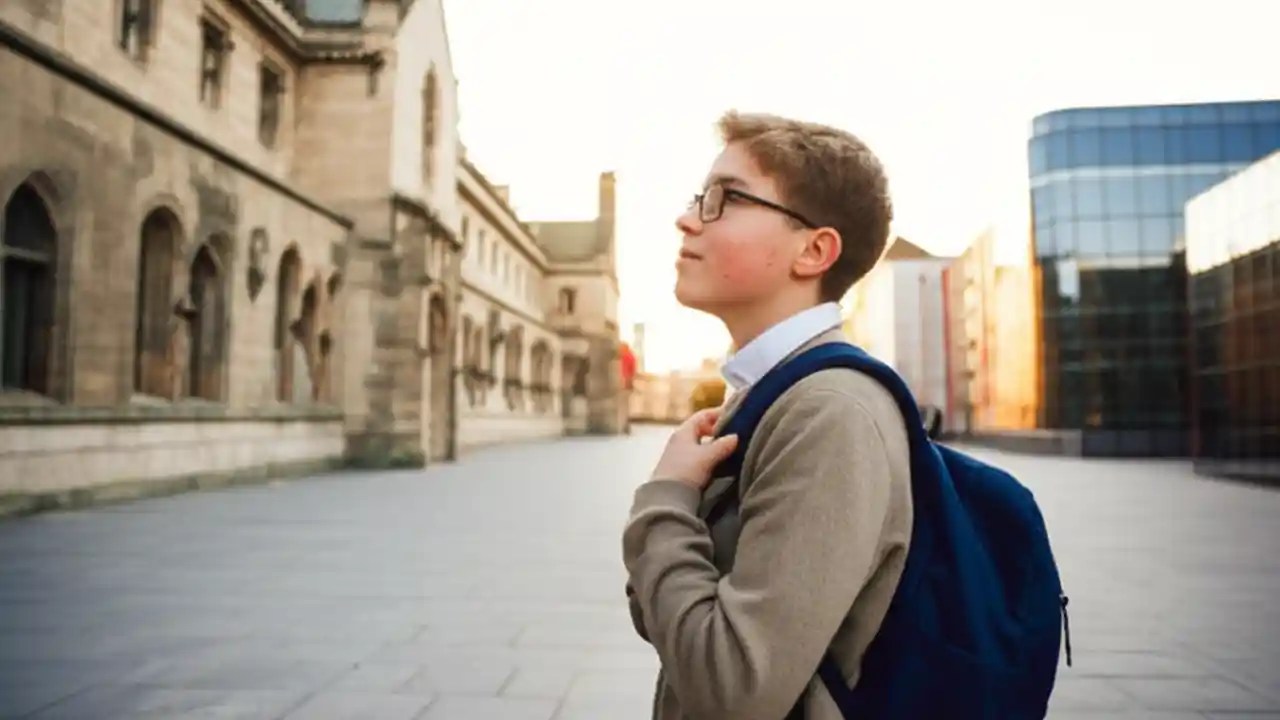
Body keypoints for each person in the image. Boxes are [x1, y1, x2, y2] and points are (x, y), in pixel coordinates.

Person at [622, 111, 913, 719]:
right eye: (700, 197)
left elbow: (733, 692)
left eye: (725, 199)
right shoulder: (770, 394)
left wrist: (667, 496)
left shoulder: (829, 414)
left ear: (813, 250)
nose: (687, 217)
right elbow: (664, 620)